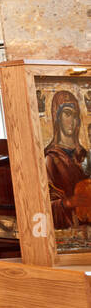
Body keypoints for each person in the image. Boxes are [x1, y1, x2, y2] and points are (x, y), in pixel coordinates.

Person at [45, 91, 91, 230]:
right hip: (70, 230)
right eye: (67, 114)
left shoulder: (84, 155)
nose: (72, 121)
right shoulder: (51, 158)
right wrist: (68, 203)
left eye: (75, 115)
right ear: (56, 117)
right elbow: (43, 204)